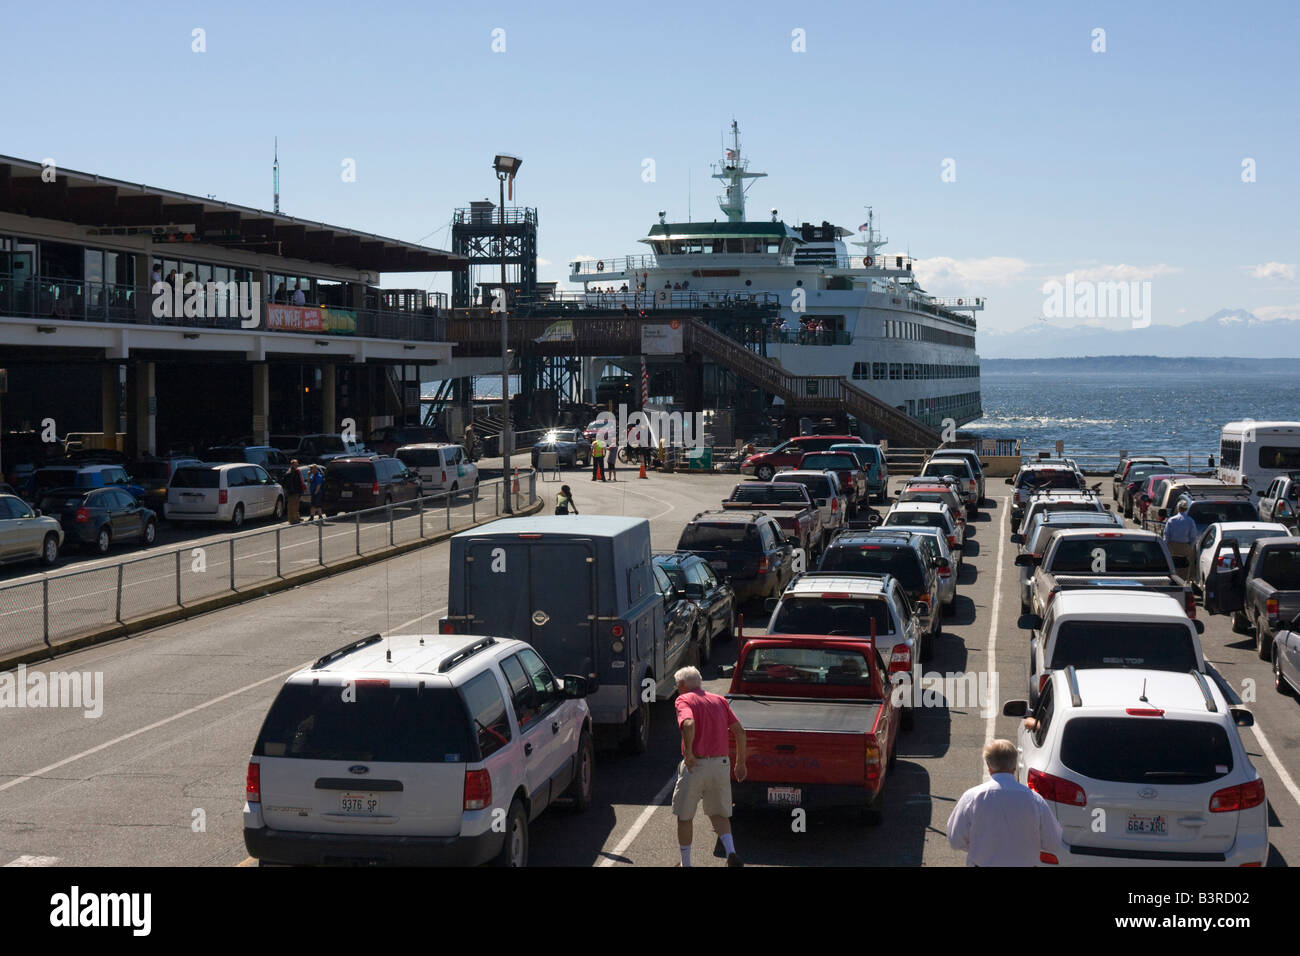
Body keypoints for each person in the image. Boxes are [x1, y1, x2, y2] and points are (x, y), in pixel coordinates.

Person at [671, 665, 747, 867]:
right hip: (721, 764)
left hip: (697, 765)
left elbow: (688, 724)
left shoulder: (684, 699)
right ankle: (731, 853)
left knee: (685, 816)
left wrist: (688, 753)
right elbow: (740, 731)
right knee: (719, 813)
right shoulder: (719, 700)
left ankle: (685, 863)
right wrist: (740, 763)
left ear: (681, 685)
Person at [946, 739, 1062, 866]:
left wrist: (979, 848)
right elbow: (1053, 843)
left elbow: (955, 840)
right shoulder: (1035, 800)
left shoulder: (972, 797)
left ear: (988, 766)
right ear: (1014, 766)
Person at [1163, 498, 1198, 569]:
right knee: (1190, 563)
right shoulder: (1190, 521)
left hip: (1172, 547)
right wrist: (1190, 547)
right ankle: (1188, 577)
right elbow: (1193, 537)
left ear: (1178, 508)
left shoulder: (1171, 520)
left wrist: (1166, 547)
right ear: (1186, 509)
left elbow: (1166, 536)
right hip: (1185, 547)